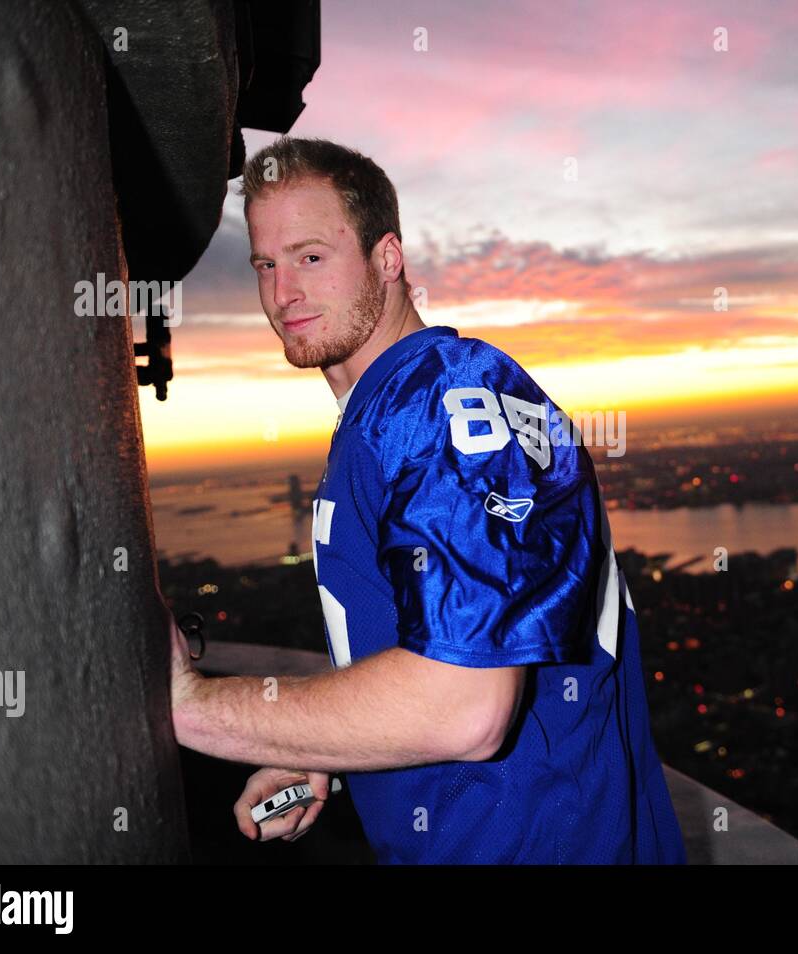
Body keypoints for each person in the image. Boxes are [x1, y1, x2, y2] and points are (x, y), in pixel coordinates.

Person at [166, 136, 686, 864]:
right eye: (265, 264)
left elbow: (464, 705)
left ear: (387, 258)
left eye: (311, 257)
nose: (283, 294)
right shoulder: (392, 414)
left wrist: (193, 707)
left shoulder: (441, 399)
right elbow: (425, 643)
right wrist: (320, 746)